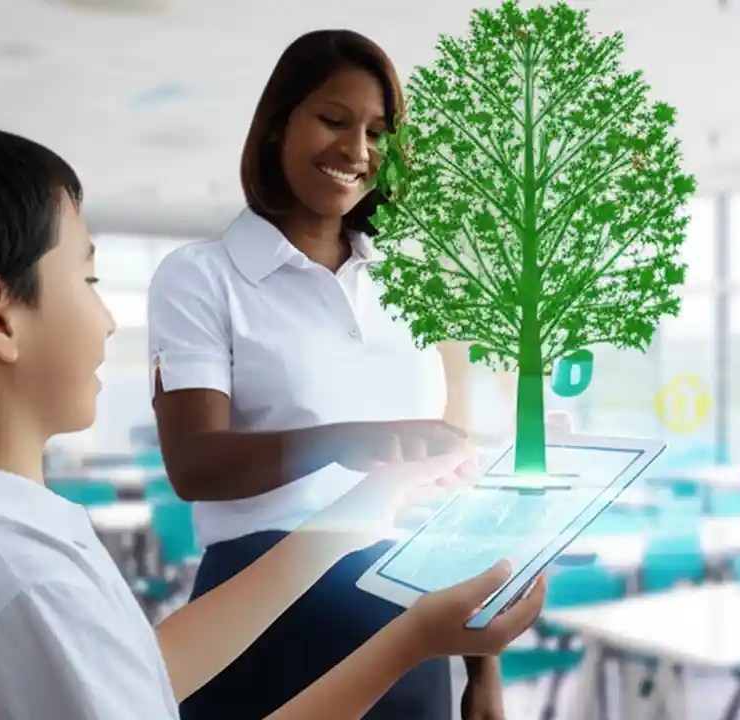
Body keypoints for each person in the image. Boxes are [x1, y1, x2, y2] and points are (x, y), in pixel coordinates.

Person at [0, 122, 546, 719]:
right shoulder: (25, 583)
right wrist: (411, 640)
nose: (106, 320)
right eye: (88, 277)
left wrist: (372, 501)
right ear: (0, 317)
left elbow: (145, 670)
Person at [148, 29, 505, 720]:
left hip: (413, 616)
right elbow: (194, 464)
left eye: (378, 132)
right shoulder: (202, 277)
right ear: (279, 125)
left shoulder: (419, 285)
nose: (357, 150)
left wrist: (482, 667)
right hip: (258, 619)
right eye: (334, 121)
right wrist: (348, 441)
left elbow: (453, 480)